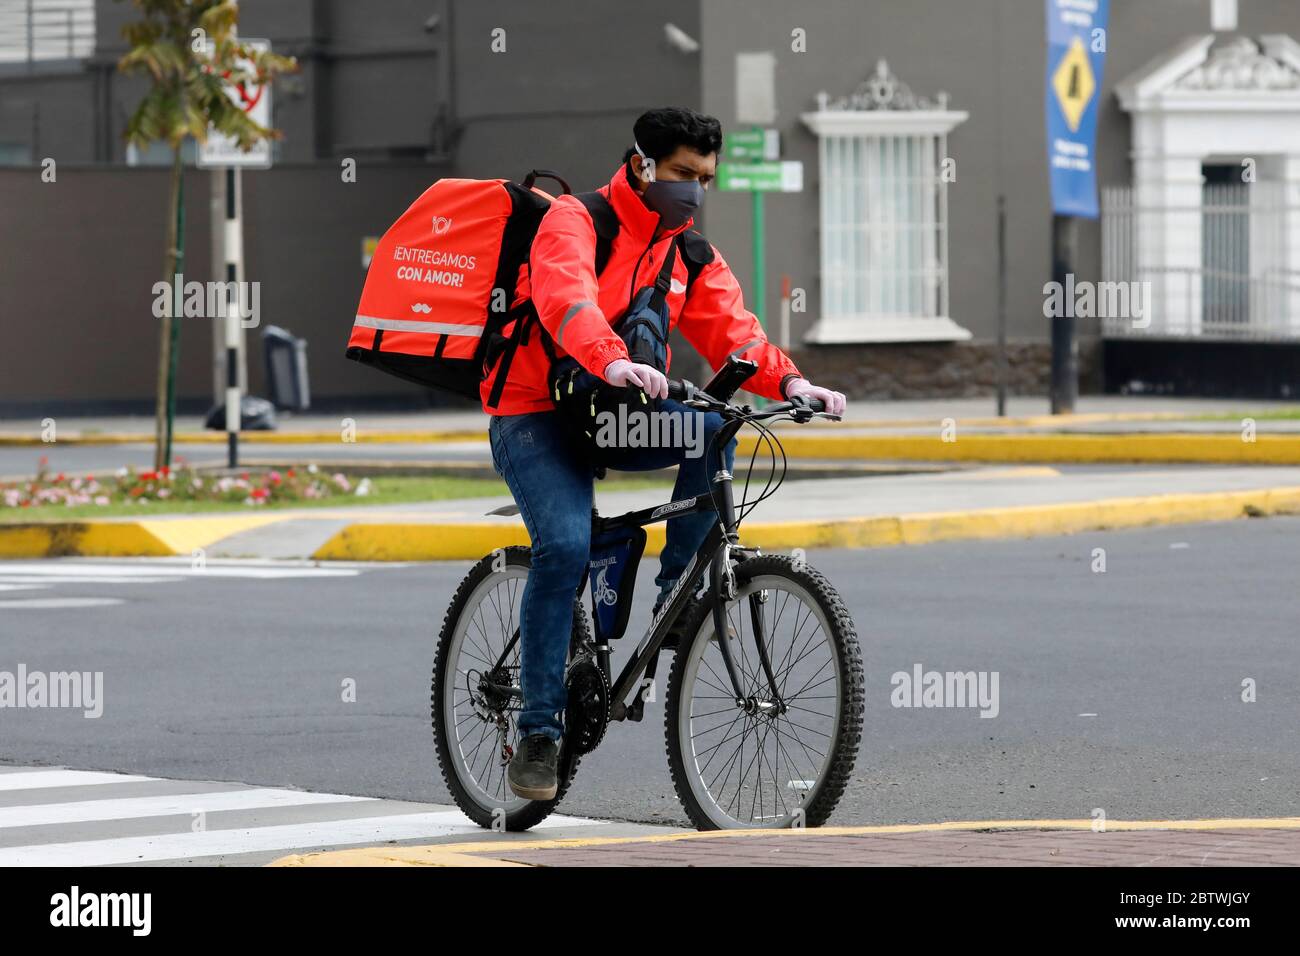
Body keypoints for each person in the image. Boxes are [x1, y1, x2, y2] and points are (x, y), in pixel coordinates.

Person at [482, 107, 847, 800]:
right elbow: (565, 298)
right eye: (683, 173)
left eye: (706, 178)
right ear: (643, 164)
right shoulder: (575, 221)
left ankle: (678, 597)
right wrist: (610, 358)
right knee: (561, 547)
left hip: (618, 411)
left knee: (714, 426)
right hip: (534, 412)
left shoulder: (686, 250)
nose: (694, 189)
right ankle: (537, 733)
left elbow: (734, 333)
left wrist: (794, 381)